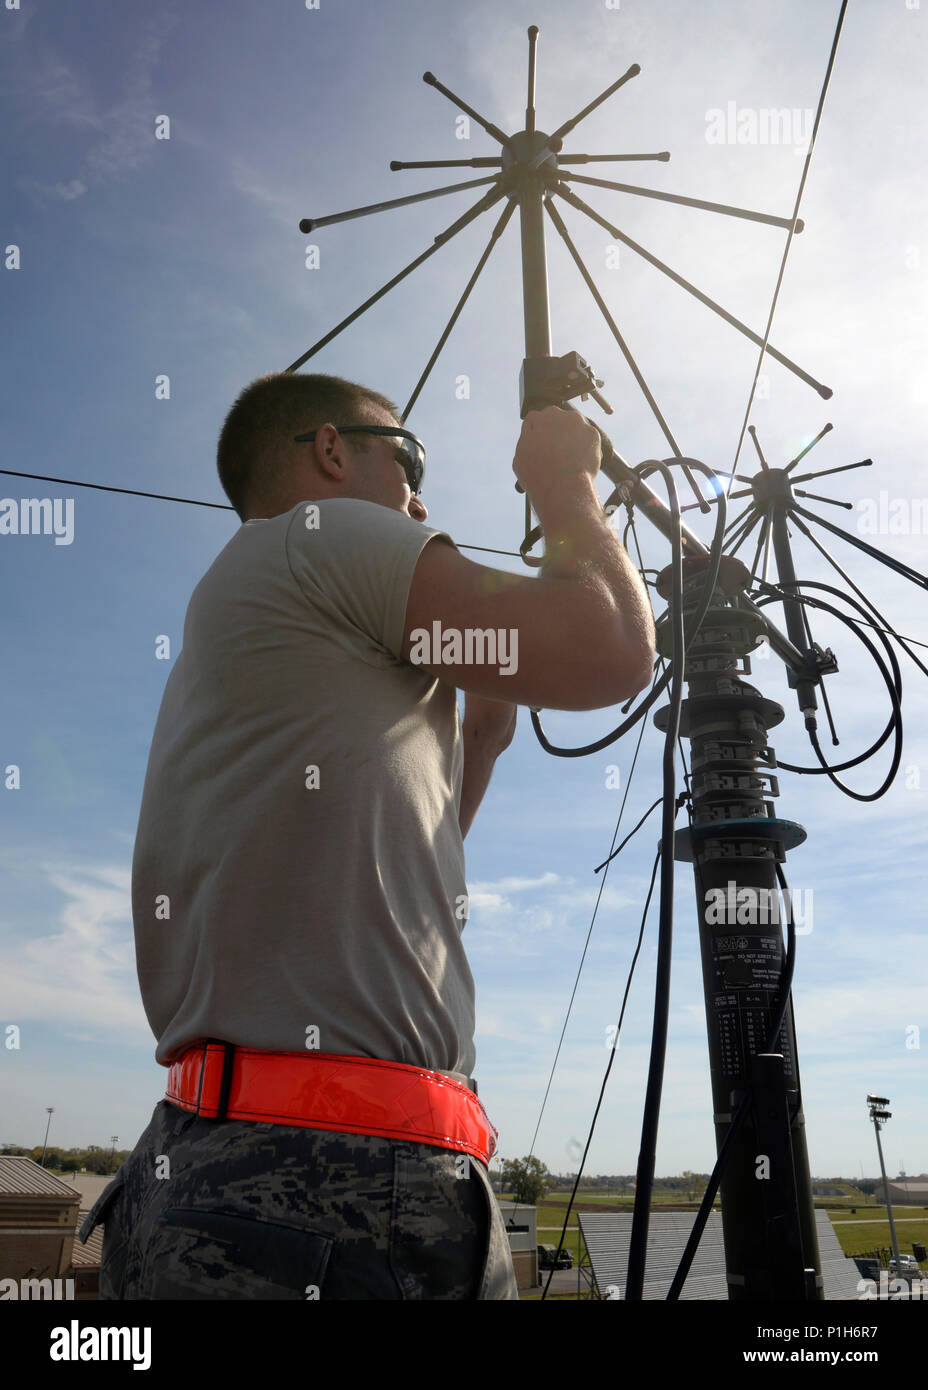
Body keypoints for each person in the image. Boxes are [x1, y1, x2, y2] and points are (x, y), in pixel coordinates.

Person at [78, 371, 655, 1300]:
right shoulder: (319, 536)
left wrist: (483, 743)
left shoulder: (267, 607)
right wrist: (565, 482)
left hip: (272, 1174)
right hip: (325, 1183)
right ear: (331, 451)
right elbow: (612, 646)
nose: (421, 498)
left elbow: (406, 865)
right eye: (409, 460)